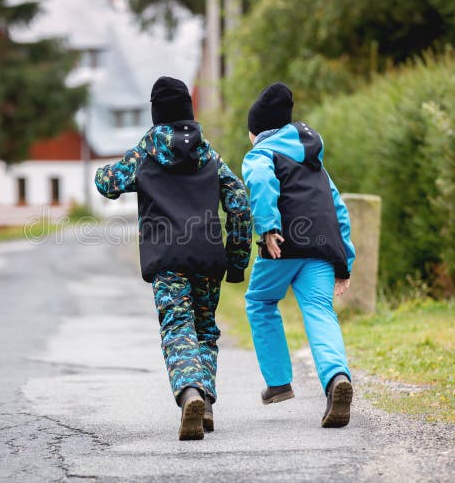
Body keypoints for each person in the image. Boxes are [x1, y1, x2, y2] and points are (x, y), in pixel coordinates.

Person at [95, 76, 252, 440]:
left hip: (167, 260)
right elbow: (239, 202)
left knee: (177, 329)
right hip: (208, 258)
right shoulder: (209, 154)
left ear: (156, 113)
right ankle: (205, 404)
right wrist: (237, 259)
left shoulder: (145, 153)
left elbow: (107, 183)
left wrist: (104, 172)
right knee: (205, 332)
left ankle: (190, 393)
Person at [242, 82, 356, 428]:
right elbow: (338, 208)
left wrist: (268, 228)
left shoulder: (260, 153)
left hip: (283, 244)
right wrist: (344, 261)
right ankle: (337, 378)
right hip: (322, 248)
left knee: (260, 302)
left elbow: (260, 181)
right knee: (320, 311)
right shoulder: (315, 162)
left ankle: (278, 383)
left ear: (256, 132)